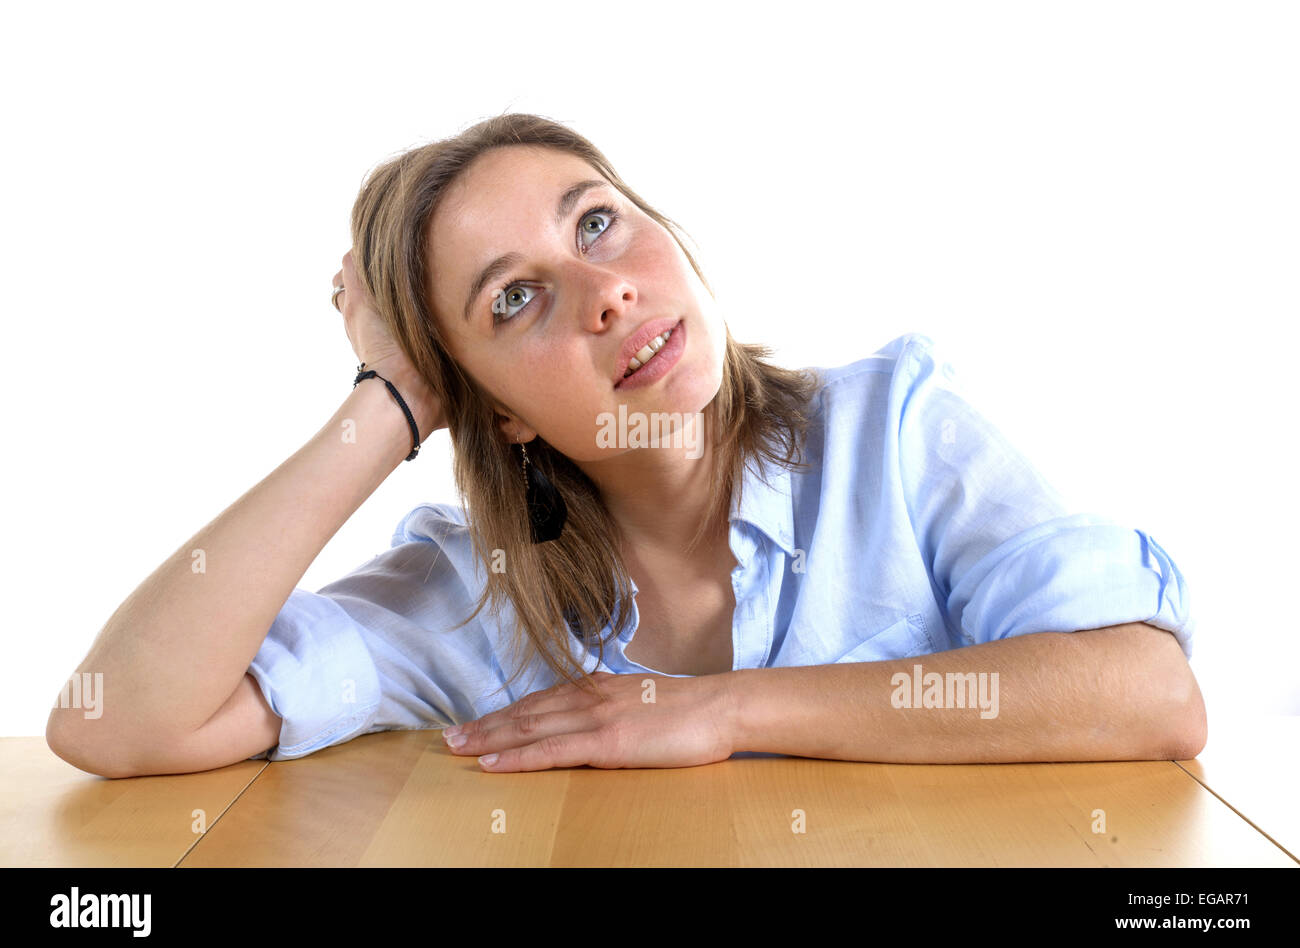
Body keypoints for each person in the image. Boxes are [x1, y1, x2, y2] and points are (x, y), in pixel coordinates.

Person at [46, 112, 1205, 779]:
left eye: (595, 221)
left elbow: (1149, 694)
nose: (602, 292)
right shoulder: (474, 598)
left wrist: (726, 711)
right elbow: (120, 721)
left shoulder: (891, 429)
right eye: (514, 300)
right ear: (493, 408)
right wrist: (385, 403)